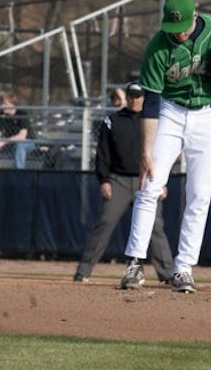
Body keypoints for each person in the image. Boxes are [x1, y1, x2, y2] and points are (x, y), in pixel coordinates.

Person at [120, 0, 211, 292]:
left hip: (209, 114)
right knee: (150, 185)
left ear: (195, 15)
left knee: (200, 194)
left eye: (180, 27)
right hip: (170, 110)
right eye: (171, 27)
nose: (177, 33)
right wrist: (146, 153)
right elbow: (152, 101)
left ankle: (184, 269)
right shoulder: (158, 45)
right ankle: (134, 264)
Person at [73, 82, 173, 283]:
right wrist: (104, 180)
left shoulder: (155, 122)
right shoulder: (112, 121)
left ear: (144, 98)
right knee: (105, 223)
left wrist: (162, 182)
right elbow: (103, 154)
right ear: (126, 97)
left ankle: (168, 275)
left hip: (147, 180)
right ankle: (83, 271)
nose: (134, 100)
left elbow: (164, 154)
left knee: (155, 228)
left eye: (138, 96)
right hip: (118, 179)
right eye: (131, 95)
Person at [0, 92, 35, 169]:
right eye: (2, 103)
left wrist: (3, 142)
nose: (2, 106)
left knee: (20, 145)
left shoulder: (22, 113)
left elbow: (22, 136)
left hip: (28, 142)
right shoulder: (1, 116)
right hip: (10, 144)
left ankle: (18, 172)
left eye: (5, 104)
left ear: (12, 104)